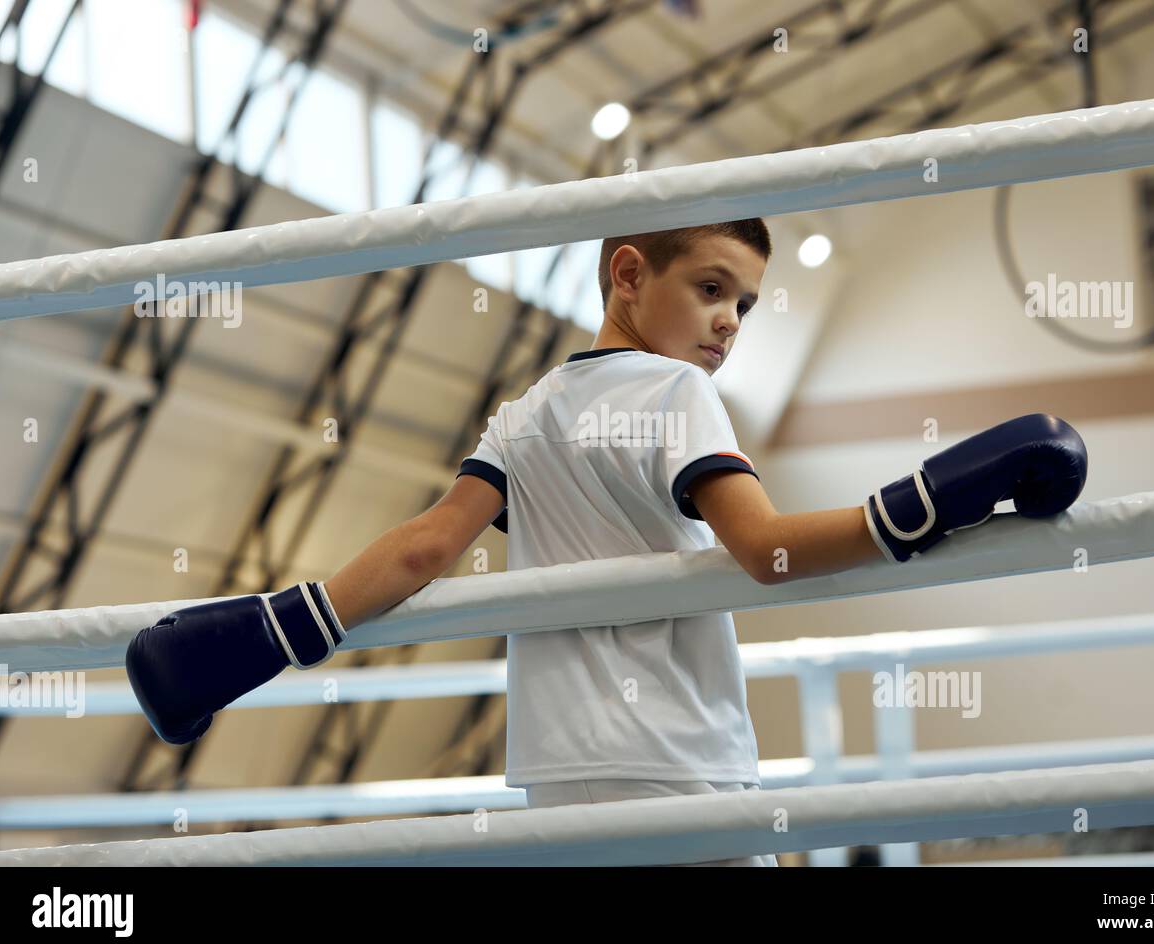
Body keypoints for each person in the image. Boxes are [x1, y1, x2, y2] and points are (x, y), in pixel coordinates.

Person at [127, 220, 1087, 867]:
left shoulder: (523, 414)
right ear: (629, 273)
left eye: (746, 305)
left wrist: (250, 644)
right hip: (678, 755)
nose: (728, 323)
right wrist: (934, 502)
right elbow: (764, 550)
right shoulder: (678, 392)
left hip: (557, 774)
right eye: (713, 288)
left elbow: (424, 548)